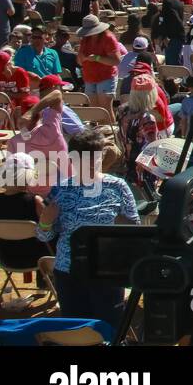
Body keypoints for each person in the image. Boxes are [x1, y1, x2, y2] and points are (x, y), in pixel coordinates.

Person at [36, 127, 140, 324]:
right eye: (86, 159)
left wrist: (123, 224)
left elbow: (134, 231)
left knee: (109, 328)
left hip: (108, 270)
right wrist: (45, 221)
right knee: (74, 329)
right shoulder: (60, 189)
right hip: (69, 271)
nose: (93, 163)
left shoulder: (118, 186)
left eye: (97, 157)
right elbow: (43, 236)